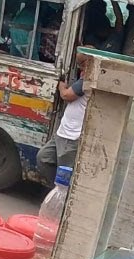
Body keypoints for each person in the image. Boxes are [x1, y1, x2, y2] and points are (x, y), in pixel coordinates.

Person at [37, 47, 91, 185]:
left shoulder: (87, 80)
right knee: (44, 158)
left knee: (64, 174)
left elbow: (67, 95)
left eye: (81, 64)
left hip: (73, 136)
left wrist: (61, 86)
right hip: (63, 132)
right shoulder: (83, 78)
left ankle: (61, 197)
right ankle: (56, 190)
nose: (81, 68)